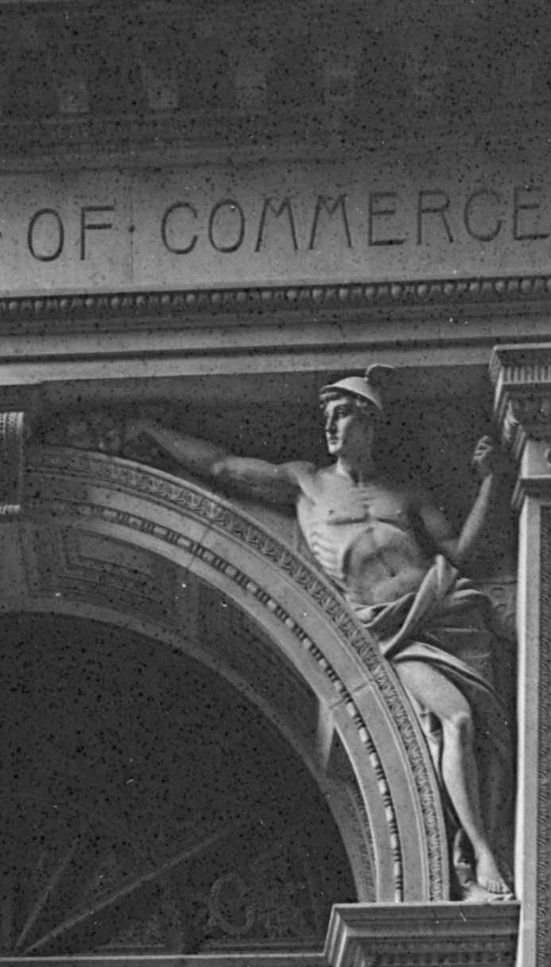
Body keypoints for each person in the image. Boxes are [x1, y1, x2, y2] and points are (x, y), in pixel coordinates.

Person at [130, 372, 517, 900]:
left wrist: (491, 480)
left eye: (343, 413)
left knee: (484, 736)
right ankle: (481, 856)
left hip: (445, 612)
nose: (331, 425)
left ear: (371, 421)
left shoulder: (404, 493)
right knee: (458, 717)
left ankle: (482, 850)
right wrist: (151, 431)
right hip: (389, 632)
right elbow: (221, 466)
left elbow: (460, 554)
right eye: (327, 415)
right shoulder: (306, 481)